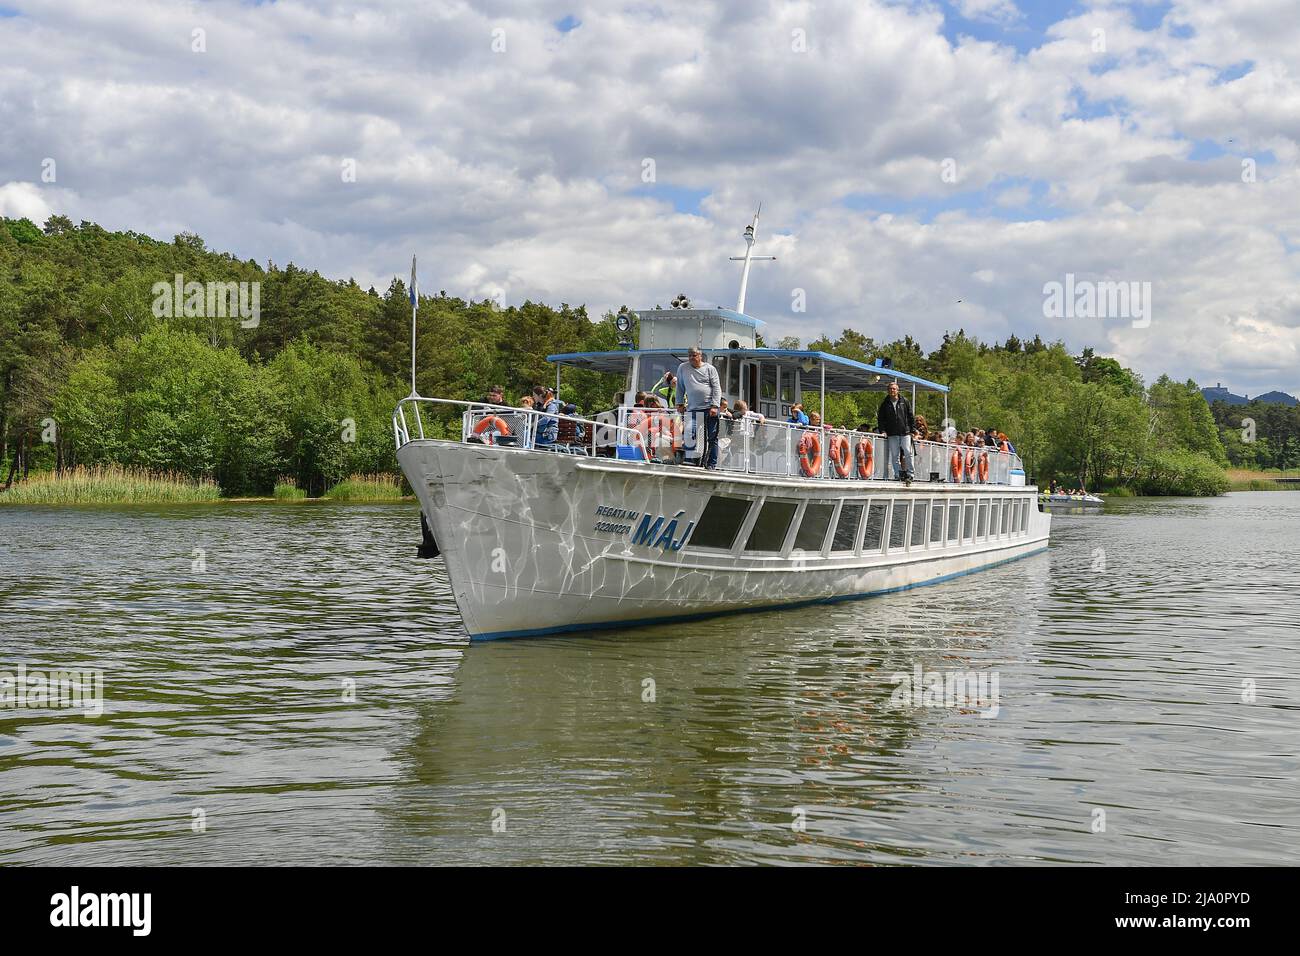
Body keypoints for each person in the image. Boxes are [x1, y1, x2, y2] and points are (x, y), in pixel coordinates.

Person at [674, 346, 721, 469]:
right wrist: (679, 403)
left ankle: (711, 464)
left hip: (709, 408)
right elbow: (679, 387)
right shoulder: (682, 368)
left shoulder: (710, 369)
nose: (691, 357)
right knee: (689, 433)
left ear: (700, 356)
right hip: (693, 409)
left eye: (694, 355)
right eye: (689, 355)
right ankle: (689, 461)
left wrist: (715, 405)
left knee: (712, 437)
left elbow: (716, 388)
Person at [876, 380, 915, 484]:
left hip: (905, 432)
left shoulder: (904, 401)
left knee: (908, 452)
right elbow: (881, 418)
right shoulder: (885, 403)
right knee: (895, 455)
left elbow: (910, 416)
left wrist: (912, 430)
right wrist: (883, 430)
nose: (892, 390)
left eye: (894, 389)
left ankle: (910, 474)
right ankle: (898, 474)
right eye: (890, 389)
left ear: (898, 390)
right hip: (892, 432)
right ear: (887, 391)